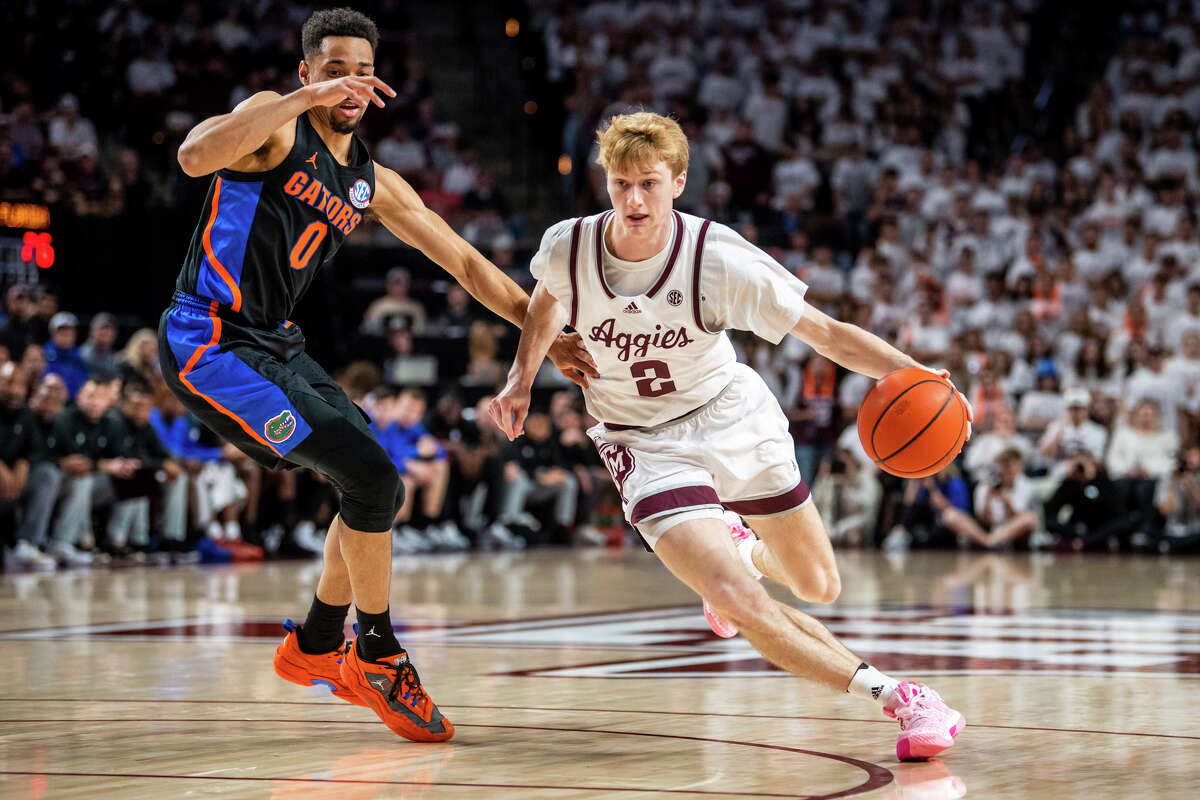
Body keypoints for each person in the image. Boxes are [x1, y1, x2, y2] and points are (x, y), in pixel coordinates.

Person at [160, 7, 594, 743]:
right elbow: (194, 157)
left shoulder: (370, 180)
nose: (350, 84)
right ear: (306, 74)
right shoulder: (273, 122)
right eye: (333, 70)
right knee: (372, 479)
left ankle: (317, 643)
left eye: (362, 70)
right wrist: (298, 102)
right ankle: (379, 653)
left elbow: (462, 261)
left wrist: (540, 335)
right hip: (209, 339)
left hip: (277, 343)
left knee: (369, 478)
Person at [489, 112, 970, 761]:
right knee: (735, 602)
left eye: (649, 184)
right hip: (641, 440)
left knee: (818, 583)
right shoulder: (567, 245)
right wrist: (521, 377)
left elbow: (826, 335)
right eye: (622, 183)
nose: (634, 200)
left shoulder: (719, 260)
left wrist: (917, 375)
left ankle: (741, 547)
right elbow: (547, 299)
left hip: (729, 413)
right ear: (605, 179)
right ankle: (900, 696)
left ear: (678, 182)